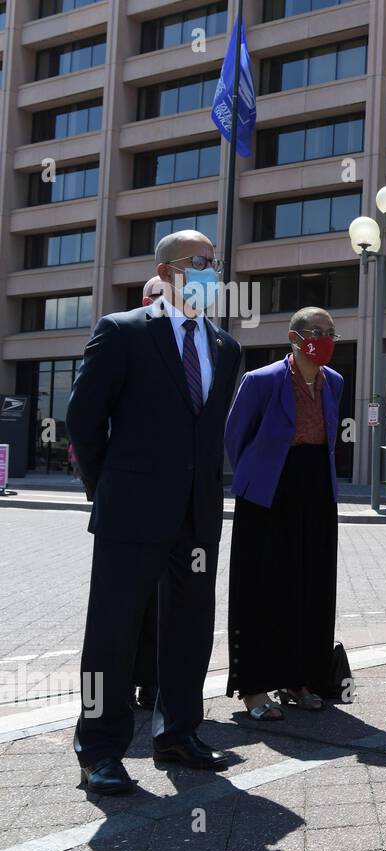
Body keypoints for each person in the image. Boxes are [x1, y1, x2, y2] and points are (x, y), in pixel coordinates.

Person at [65, 230, 241, 794]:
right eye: (199, 263)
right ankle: (98, 748)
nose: (210, 274)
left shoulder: (225, 347)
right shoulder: (122, 332)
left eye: (215, 264)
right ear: (166, 272)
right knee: (111, 634)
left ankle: (178, 733)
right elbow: (83, 420)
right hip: (131, 514)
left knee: (189, 630)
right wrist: (107, 487)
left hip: (196, 519)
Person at [224, 307, 346, 720]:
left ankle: (299, 680)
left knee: (310, 586)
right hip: (267, 492)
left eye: (331, 332)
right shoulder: (260, 380)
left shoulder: (335, 382)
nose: (325, 338)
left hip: (316, 489)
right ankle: (255, 689)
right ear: (294, 337)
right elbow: (236, 437)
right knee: (261, 586)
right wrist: (259, 476)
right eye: (316, 331)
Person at [131, 275, 170, 712]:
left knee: (165, 605)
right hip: (132, 501)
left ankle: (155, 682)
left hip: (177, 504)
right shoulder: (125, 337)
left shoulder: (200, 349)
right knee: (126, 606)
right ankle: (114, 691)